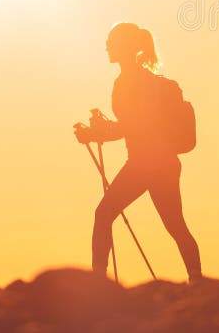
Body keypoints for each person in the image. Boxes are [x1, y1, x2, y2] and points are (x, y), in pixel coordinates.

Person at [74, 22, 202, 284]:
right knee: (176, 226)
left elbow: (132, 126)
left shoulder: (128, 82)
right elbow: (133, 124)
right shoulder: (143, 80)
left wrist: (95, 134)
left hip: (145, 164)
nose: (107, 46)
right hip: (163, 163)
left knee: (103, 214)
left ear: (124, 47)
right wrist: (101, 130)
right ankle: (197, 280)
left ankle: (98, 281)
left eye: (111, 41)